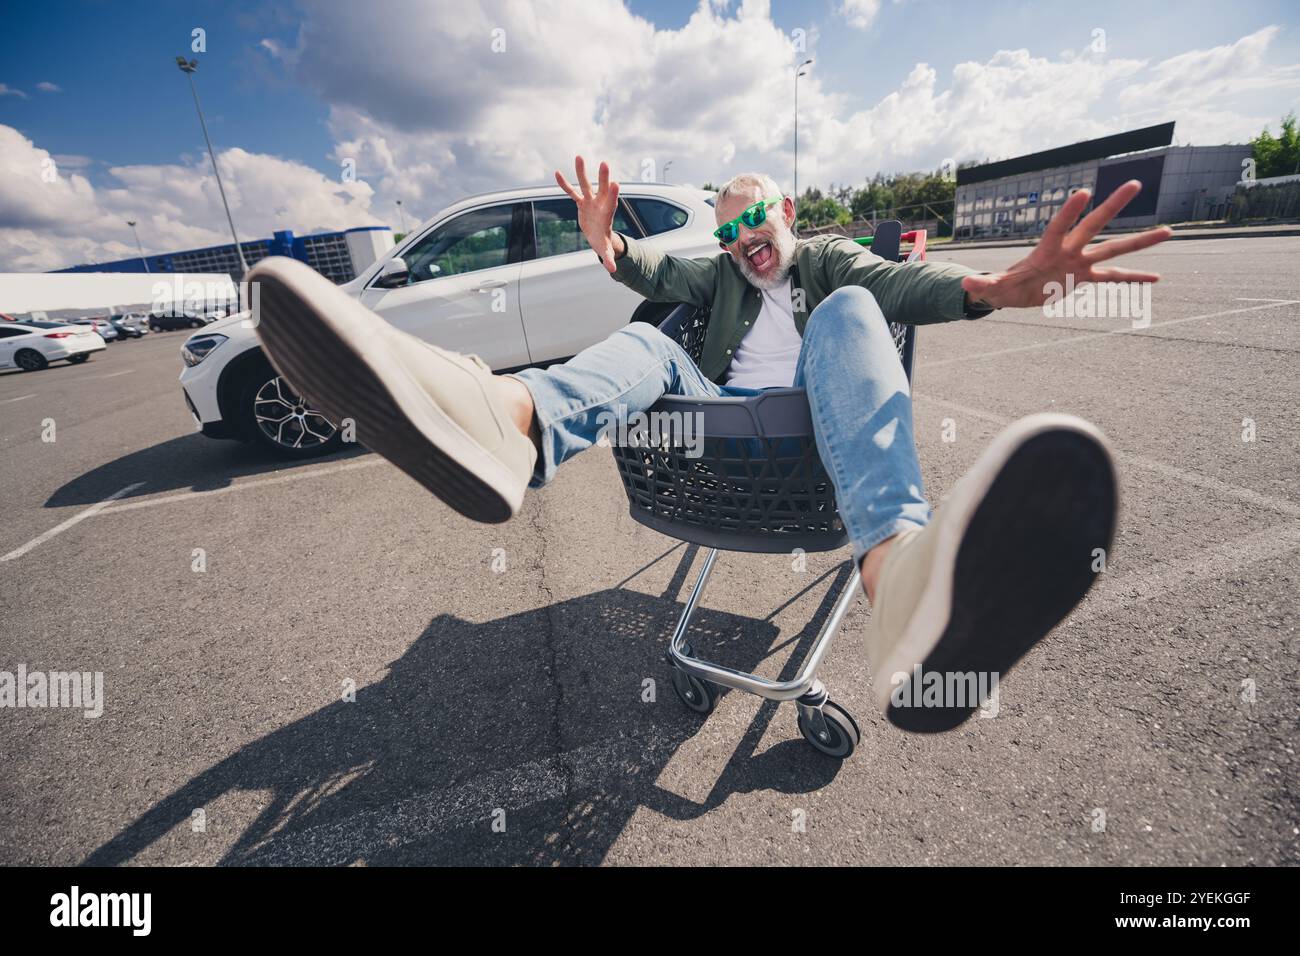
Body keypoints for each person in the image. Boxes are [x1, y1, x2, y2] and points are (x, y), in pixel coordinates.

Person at [248, 156, 1172, 731]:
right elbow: (657, 267)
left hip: (816, 450)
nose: (740, 242)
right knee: (653, 336)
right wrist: (609, 247)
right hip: (719, 447)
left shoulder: (829, 263)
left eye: (753, 223)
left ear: (788, 215)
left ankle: (899, 587)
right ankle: (508, 423)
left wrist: (1003, 286)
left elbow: (912, 286)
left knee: (856, 309)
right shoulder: (721, 276)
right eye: (727, 231)